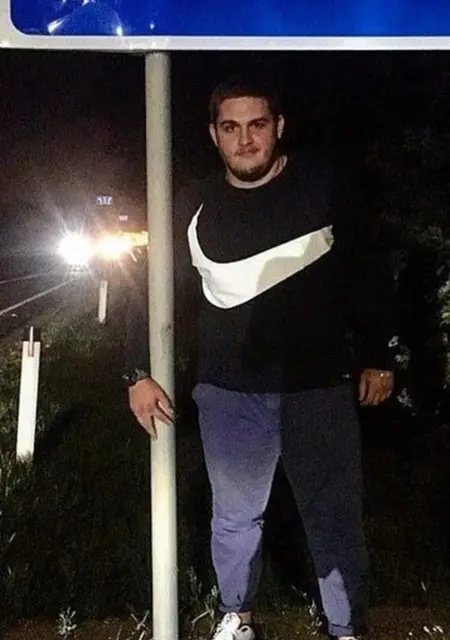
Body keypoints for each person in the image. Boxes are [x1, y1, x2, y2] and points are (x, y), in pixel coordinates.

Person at [124, 74, 396, 640]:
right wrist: (137, 372)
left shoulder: (323, 186)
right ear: (214, 134)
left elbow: (367, 271)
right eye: (231, 127)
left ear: (278, 127)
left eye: (257, 125)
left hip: (318, 386)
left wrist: (377, 355)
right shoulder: (192, 203)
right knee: (234, 518)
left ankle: (346, 627)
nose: (245, 140)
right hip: (228, 391)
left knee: (333, 518)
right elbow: (152, 288)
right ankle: (238, 617)